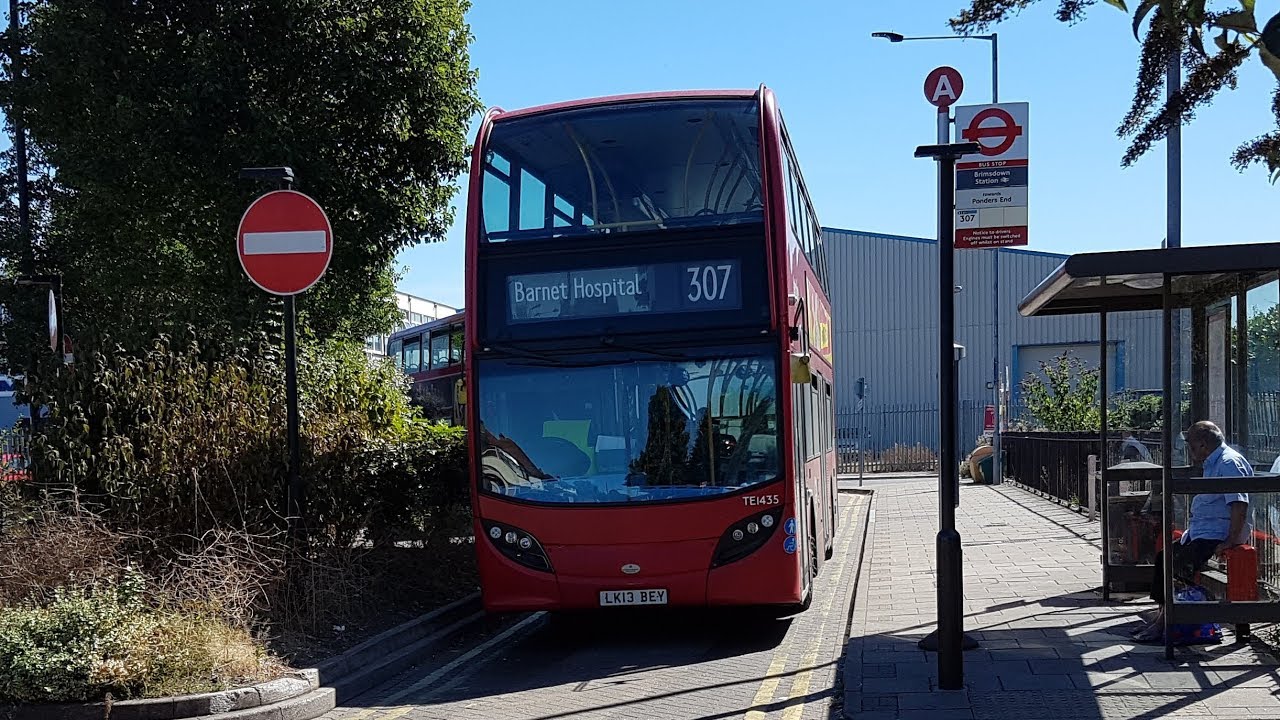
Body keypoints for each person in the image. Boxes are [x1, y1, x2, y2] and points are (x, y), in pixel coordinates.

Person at [1131, 421, 1251, 642]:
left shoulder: (1228, 463)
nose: (1190, 451)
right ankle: (1162, 617)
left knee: (1175, 564)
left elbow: (1239, 505)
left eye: (1192, 446)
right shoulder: (1213, 462)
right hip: (1203, 533)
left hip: (1216, 535)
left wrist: (1230, 540)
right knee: (1163, 559)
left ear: (1203, 445)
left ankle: (1164, 623)